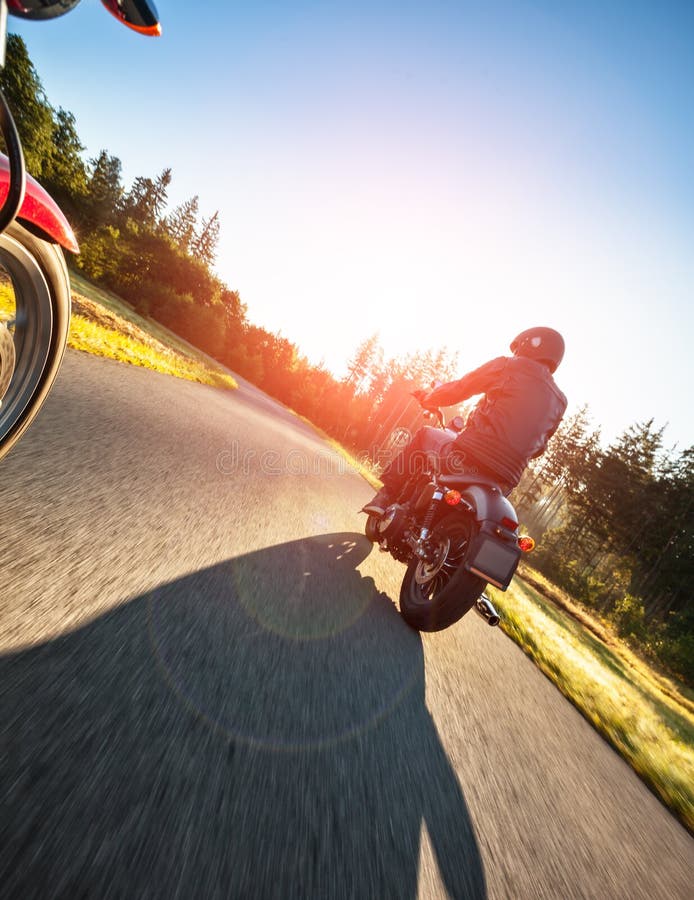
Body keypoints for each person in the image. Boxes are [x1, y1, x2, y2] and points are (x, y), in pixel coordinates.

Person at [362, 327, 568, 514]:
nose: (515, 354)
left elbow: (461, 388)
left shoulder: (507, 366)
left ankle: (386, 495)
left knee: (425, 435)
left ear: (530, 344)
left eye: (517, 350)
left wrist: (429, 397)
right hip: (504, 482)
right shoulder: (560, 401)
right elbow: (539, 448)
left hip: (467, 457)